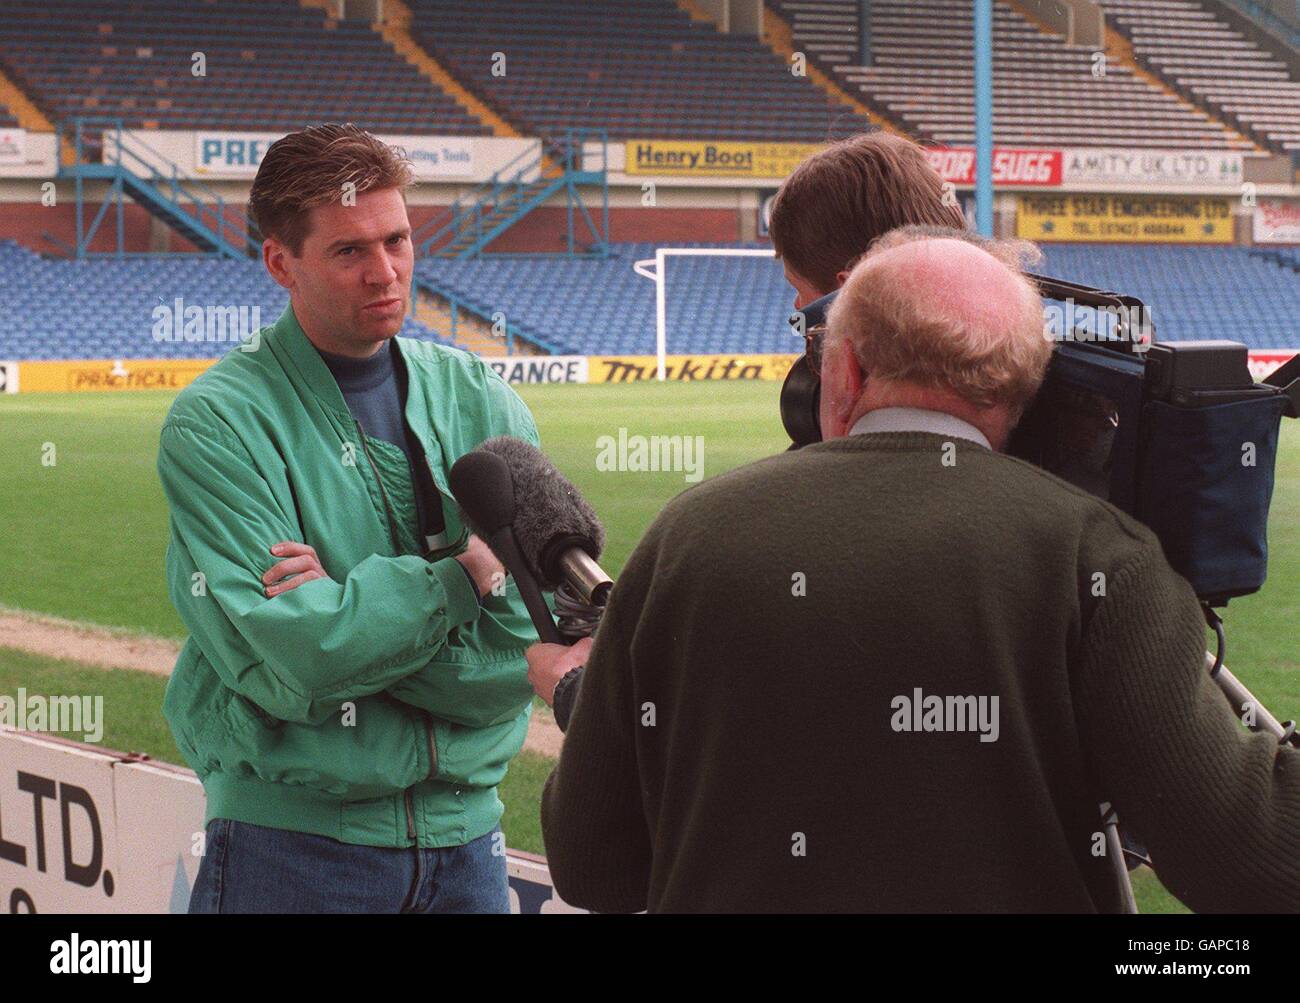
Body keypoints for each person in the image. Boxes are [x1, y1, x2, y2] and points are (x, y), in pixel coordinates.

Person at [530, 228, 1300, 913]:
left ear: (846, 370)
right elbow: (1254, 867)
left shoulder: (684, 536)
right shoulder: (1100, 559)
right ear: (1024, 395)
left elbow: (597, 869)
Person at [157, 124, 540, 914]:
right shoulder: (218, 423)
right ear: (280, 263)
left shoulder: (481, 397)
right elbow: (305, 653)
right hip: (292, 853)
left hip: (471, 846)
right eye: (348, 251)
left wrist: (356, 614)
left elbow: (527, 649)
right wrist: (467, 575)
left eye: (397, 239)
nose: (386, 271)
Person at [530, 131, 968, 725]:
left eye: (803, 309)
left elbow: (658, 763)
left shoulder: (738, 535)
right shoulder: (1088, 517)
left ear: (849, 313)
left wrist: (580, 692)